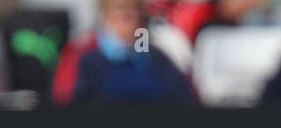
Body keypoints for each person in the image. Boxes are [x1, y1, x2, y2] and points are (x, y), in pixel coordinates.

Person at [51, 0, 193, 104]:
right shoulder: (81, 56)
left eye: (134, 10)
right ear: (105, 16)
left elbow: (184, 101)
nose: (128, 17)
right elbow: (67, 107)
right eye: (120, 9)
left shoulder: (157, 59)